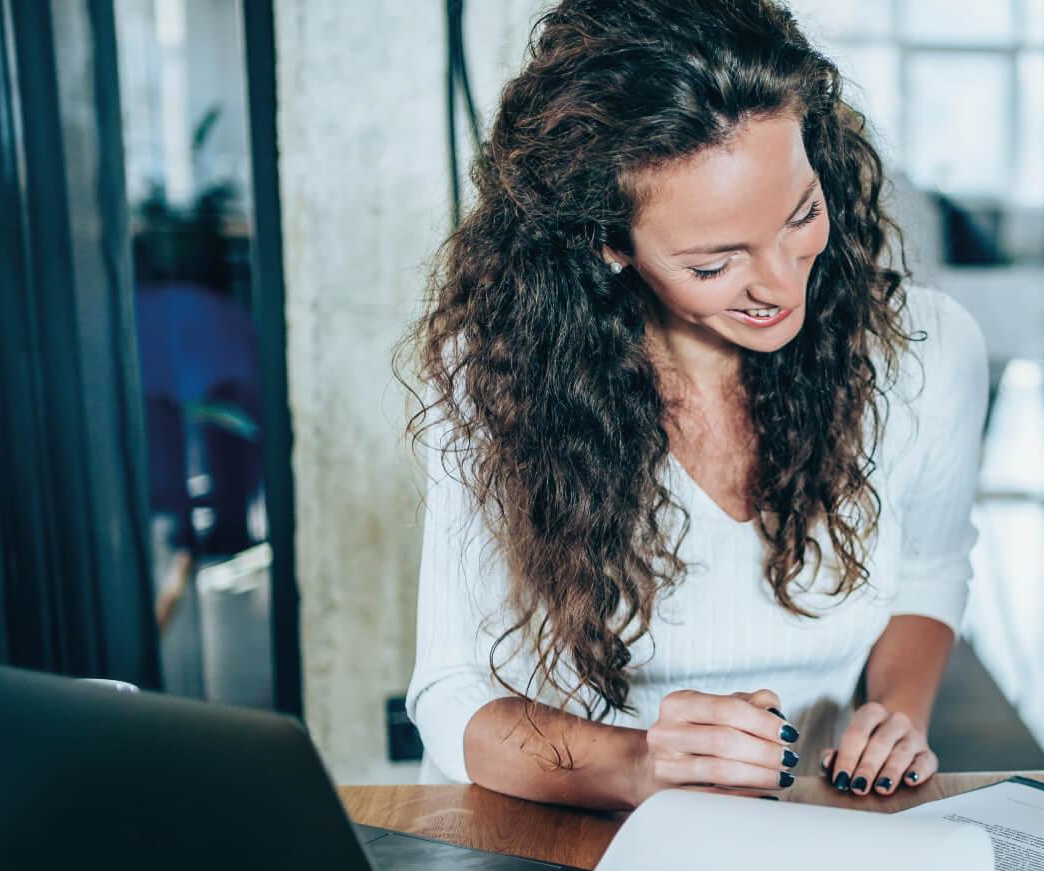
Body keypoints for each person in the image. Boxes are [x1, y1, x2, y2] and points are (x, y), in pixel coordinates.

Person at [404, 0, 987, 810]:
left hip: (797, 840)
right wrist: (639, 764)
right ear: (606, 243)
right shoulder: (500, 376)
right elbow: (450, 694)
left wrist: (893, 715)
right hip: (559, 839)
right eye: (715, 264)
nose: (785, 287)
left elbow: (930, 569)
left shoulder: (926, 352)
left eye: (801, 215)